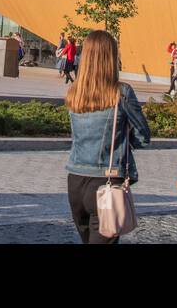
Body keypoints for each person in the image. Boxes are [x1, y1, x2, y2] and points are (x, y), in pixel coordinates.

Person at [64, 30, 151, 243]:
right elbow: (143, 136)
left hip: (75, 180)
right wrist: (125, 141)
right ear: (111, 58)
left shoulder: (74, 92)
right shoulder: (121, 92)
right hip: (107, 181)